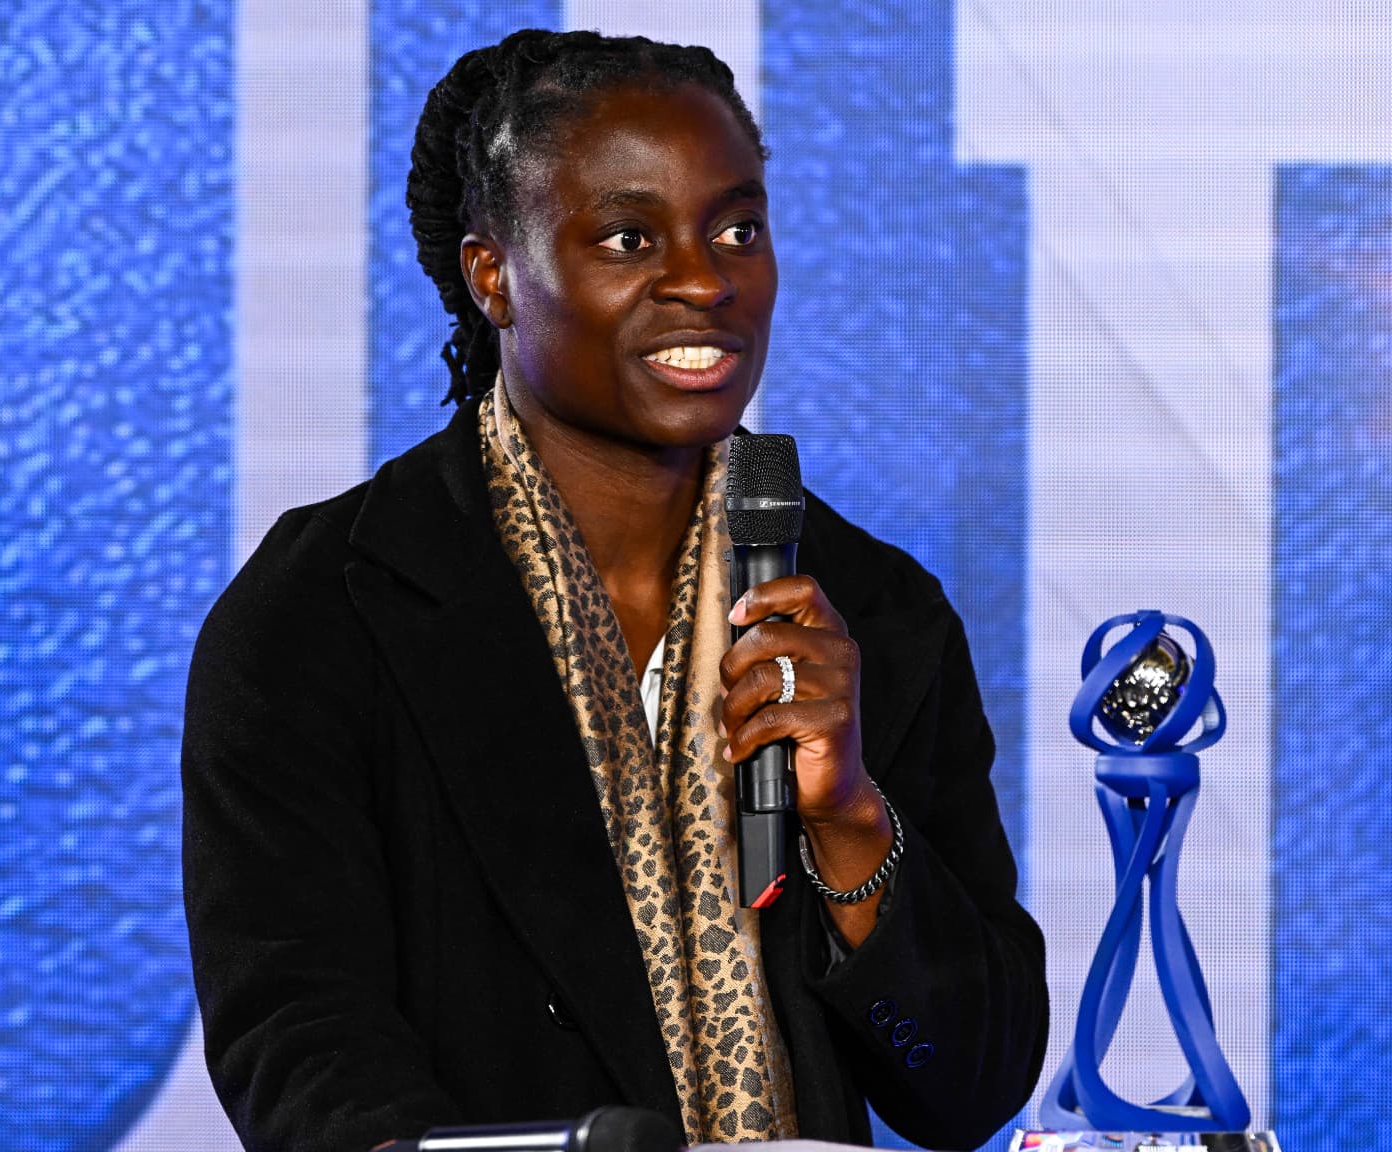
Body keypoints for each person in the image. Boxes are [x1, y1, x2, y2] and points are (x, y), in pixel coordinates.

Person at [182, 29, 1047, 1152]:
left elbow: (971, 1086)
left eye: (736, 230)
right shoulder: (321, 611)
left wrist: (846, 819)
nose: (704, 280)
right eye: (629, 237)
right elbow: (299, 1041)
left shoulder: (872, 612)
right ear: (492, 275)